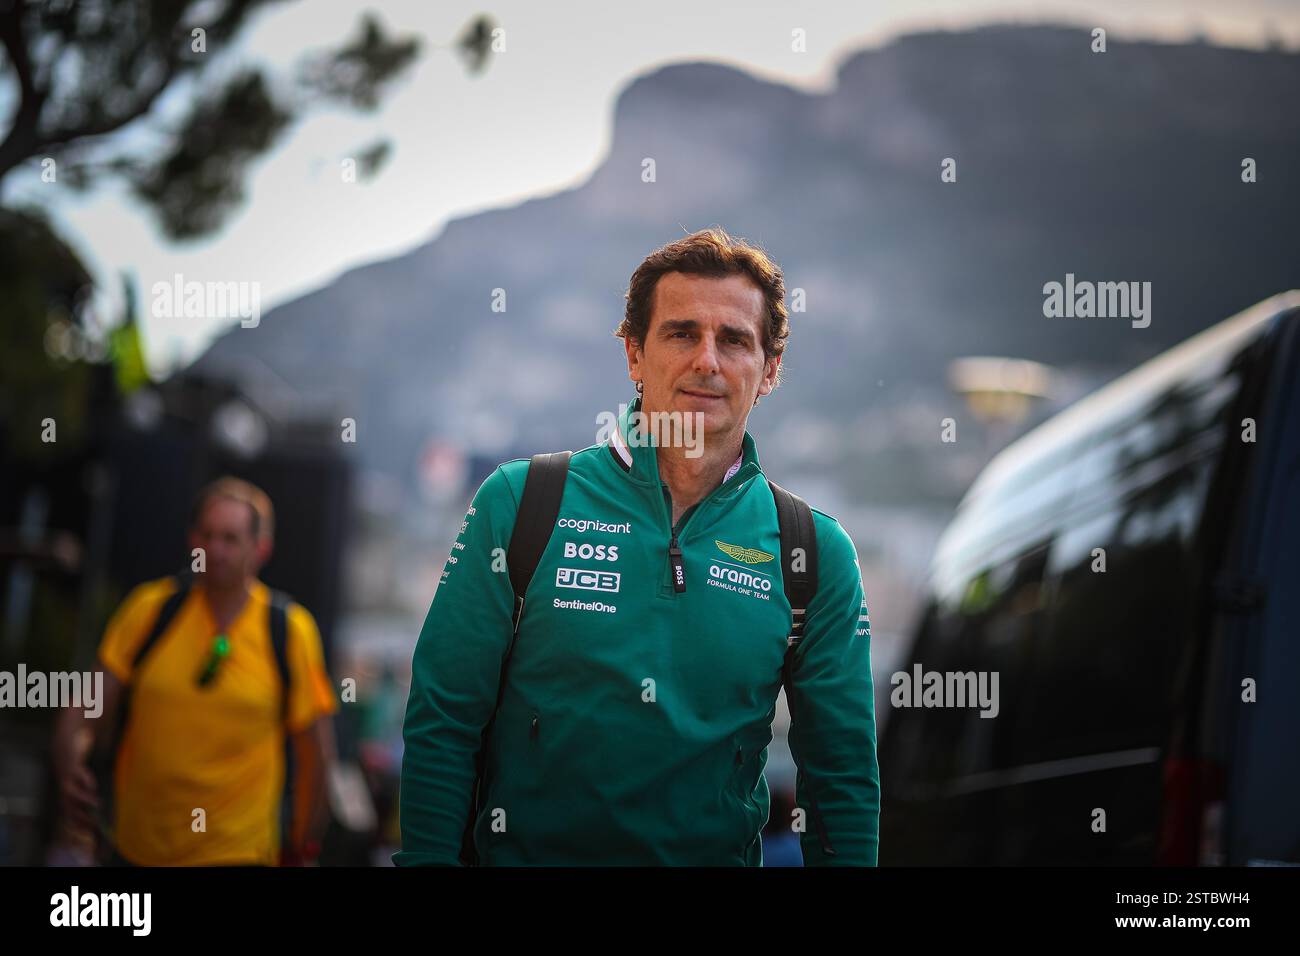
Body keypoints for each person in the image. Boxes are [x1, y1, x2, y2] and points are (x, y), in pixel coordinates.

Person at [397, 227, 879, 866]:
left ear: (769, 371)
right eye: (682, 333)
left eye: (734, 340)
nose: (707, 360)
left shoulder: (813, 552)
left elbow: (840, 778)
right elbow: (443, 723)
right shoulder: (520, 502)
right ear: (632, 353)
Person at [52, 477, 339, 866]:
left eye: (230, 538)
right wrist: (72, 762)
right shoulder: (149, 610)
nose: (215, 549)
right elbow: (86, 709)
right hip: (136, 850)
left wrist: (303, 843)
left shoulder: (290, 631)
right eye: (207, 534)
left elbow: (316, 754)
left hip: (236, 852)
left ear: (261, 549)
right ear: (191, 539)